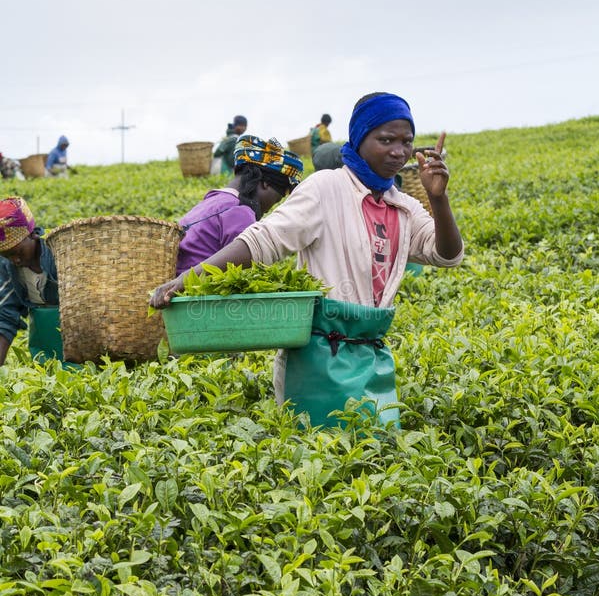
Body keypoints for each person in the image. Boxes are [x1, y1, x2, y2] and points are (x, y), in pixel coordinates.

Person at [151, 92, 464, 428]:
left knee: (377, 456)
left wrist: (438, 198)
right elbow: (262, 240)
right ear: (360, 139)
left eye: (406, 142)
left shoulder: (402, 206)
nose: (398, 152)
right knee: (322, 456)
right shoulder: (326, 188)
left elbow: (446, 254)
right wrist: (187, 279)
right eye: (385, 140)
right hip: (320, 356)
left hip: (372, 356)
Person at [176, 135, 304, 275]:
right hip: (193, 291)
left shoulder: (212, 200)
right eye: (276, 200)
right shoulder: (240, 212)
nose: (269, 208)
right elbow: (244, 275)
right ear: (265, 184)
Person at [0, 196, 62, 365]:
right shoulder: (8, 268)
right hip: (43, 354)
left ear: (33, 235)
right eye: (6, 255)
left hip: (80, 350)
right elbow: (6, 317)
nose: (15, 261)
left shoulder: (60, 254)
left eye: (18, 252)